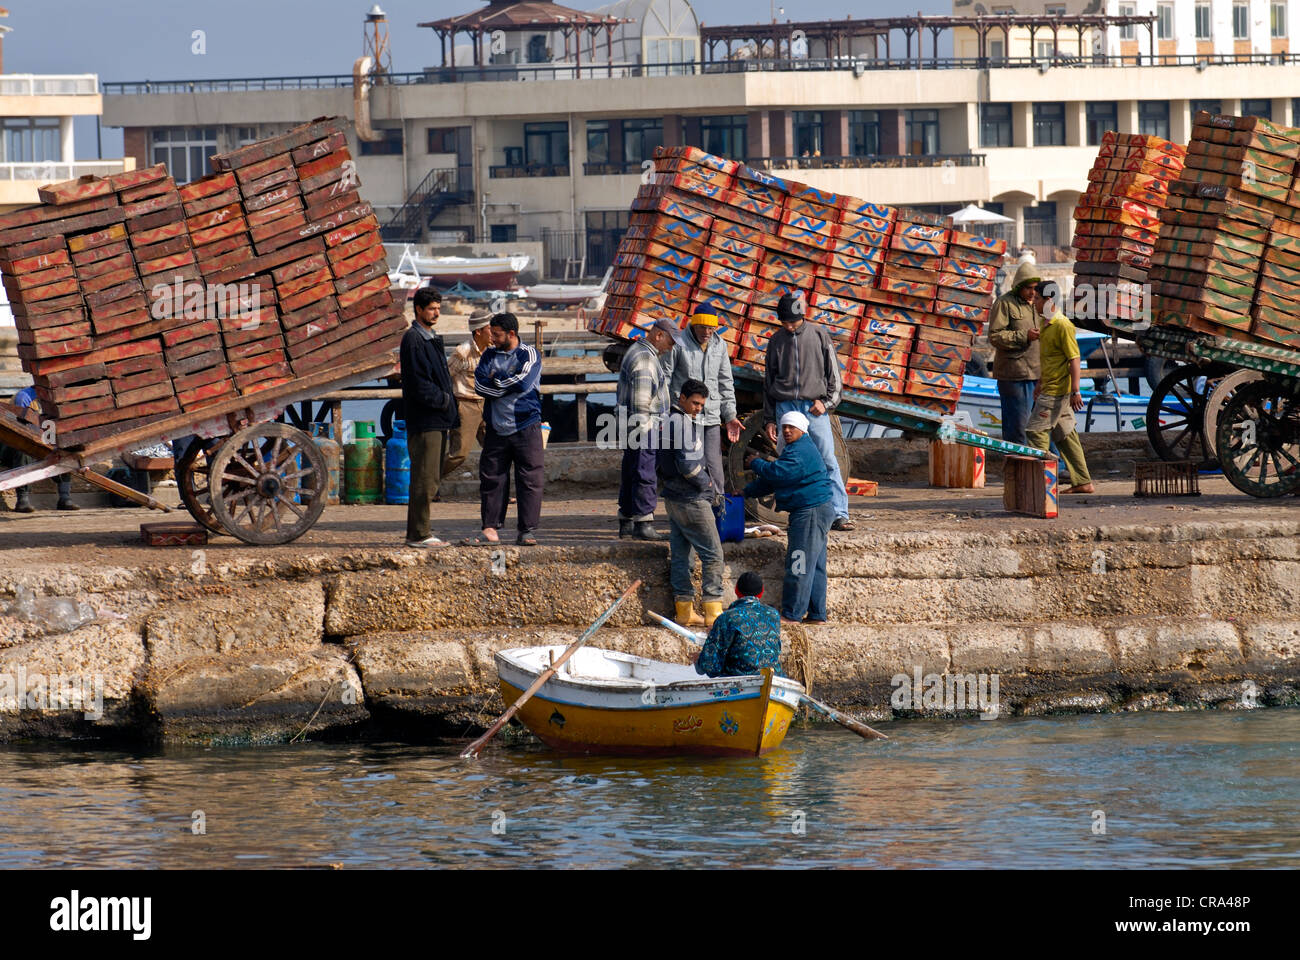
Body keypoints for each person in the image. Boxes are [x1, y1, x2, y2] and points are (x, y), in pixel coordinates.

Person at [762, 293, 852, 531]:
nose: (790, 326)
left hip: (814, 408)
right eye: (785, 322)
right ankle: (798, 512)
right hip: (785, 408)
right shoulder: (776, 341)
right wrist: (770, 418)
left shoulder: (819, 335)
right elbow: (768, 382)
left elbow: (835, 376)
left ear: (802, 316)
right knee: (790, 462)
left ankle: (839, 513)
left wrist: (826, 402)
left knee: (828, 460)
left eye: (793, 321)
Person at [744, 410, 834, 624]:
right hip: (817, 510)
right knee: (815, 565)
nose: (786, 430)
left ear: (802, 429)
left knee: (799, 563)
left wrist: (756, 462)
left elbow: (780, 474)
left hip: (809, 511)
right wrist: (747, 491)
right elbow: (774, 480)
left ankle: (792, 614)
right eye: (784, 427)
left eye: (791, 427)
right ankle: (816, 614)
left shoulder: (800, 450)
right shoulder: (794, 450)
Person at [659, 304, 742, 513]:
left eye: (711, 328)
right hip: (685, 416)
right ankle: (692, 511)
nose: (707, 333)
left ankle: (719, 512)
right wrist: (664, 411)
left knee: (714, 468)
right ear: (693, 325)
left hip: (711, 416)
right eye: (702, 327)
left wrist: (730, 415)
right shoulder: (679, 344)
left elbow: (725, 382)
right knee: (689, 465)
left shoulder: (720, 345)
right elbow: (664, 378)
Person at [657, 378, 726, 629]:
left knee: (681, 556)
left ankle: (684, 611)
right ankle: (713, 611)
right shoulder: (682, 423)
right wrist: (706, 483)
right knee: (713, 555)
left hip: (672, 498)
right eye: (695, 403)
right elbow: (688, 464)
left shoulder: (667, 421)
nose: (698, 408)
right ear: (682, 398)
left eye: (701, 405)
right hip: (691, 498)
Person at [474, 312, 544, 545]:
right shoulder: (488, 355)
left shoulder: (530, 354)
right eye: (491, 334)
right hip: (496, 426)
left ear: (511, 334)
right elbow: (479, 385)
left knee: (530, 478)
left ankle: (527, 530)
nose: (492, 338)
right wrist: (505, 383)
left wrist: (496, 380)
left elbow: (524, 382)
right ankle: (490, 528)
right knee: (492, 478)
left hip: (527, 425)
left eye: (496, 334)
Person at [399, 286, 458, 547]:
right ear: (419, 310)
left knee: (430, 476)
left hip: (437, 417)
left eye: (438, 308)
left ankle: (420, 531)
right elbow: (418, 383)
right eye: (431, 308)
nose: (436, 313)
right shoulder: (413, 339)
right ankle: (419, 533)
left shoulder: (430, 337)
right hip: (426, 419)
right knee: (424, 477)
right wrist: (444, 400)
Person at [1026, 282, 1095, 494]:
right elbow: (1049, 360)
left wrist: (1076, 391)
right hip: (1049, 387)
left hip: (1056, 392)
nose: (1033, 302)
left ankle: (1039, 483)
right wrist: (1039, 382)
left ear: (1048, 301)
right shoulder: (1046, 324)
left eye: (1037, 298)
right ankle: (1083, 481)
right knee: (1065, 435)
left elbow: (1074, 359)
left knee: (1035, 432)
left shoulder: (1063, 325)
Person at [615, 317, 678, 541]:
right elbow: (642, 401)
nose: (671, 348)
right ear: (659, 335)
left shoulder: (641, 352)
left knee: (632, 469)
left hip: (631, 424)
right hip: (643, 425)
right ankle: (643, 521)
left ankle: (627, 520)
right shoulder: (645, 359)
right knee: (645, 471)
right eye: (670, 343)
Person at [987, 260, 1042, 446]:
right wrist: (1024, 336)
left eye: (1035, 288)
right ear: (1019, 286)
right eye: (1028, 288)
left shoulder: (1039, 304)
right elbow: (995, 336)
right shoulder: (1004, 304)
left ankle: (1041, 468)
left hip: (1037, 374)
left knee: (1040, 426)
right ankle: (1016, 467)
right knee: (1017, 428)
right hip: (1014, 375)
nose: (1032, 292)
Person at [0, 386, 76, 513]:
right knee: (24, 449)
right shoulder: (25, 397)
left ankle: (65, 497)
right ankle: (22, 499)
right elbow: (20, 430)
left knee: (64, 448)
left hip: (43, 442)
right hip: (15, 444)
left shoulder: (56, 398)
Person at [695, 571, 783, 678]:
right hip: (775, 678)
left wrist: (698, 661)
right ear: (761, 592)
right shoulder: (773, 614)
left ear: (736, 590)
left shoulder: (726, 618)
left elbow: (711, 668)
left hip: (739, 679)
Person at [443, 308, 492, 480]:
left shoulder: (492, 350)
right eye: (490, 328)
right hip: (466, 405)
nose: (494, 331)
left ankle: (497, 490)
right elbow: (445, 376)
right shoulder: (463, 353)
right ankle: (429, 483)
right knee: (459, 454)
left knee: (495, 449)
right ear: (478, 331)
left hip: (487, 403)